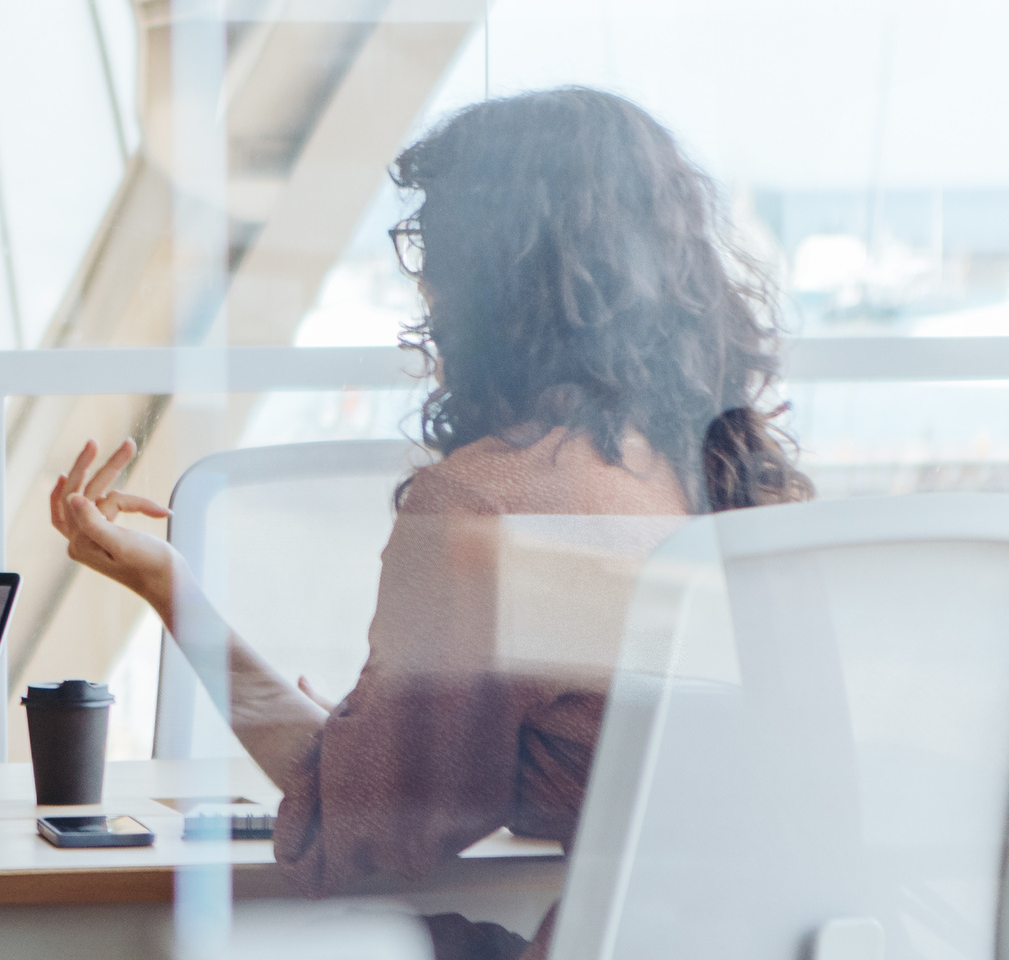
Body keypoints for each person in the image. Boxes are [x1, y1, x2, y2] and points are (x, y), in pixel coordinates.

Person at [43, 88, 809, 959]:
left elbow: (360, 839)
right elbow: (639, 765)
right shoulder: (719, 478)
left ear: (487, 276)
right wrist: (468, 756)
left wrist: (165, 585)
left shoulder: (490, 506)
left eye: (430, 244)